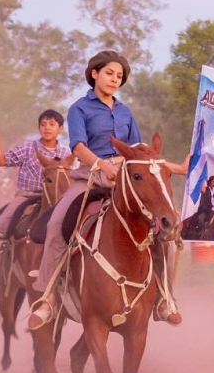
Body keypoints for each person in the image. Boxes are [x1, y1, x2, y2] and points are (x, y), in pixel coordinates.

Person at [29, 50, 184, 330]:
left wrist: (176, 167)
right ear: (94, 74)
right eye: (110, 73)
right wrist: (102, 164)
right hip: (90, 177)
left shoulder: (125, 111)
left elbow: (141, 153)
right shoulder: (80, 108)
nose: (115, 79)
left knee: (166, 231)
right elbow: (77, 146)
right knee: (55, 224)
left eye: (120, 76)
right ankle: (48, 297)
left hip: (126, 181)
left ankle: (165, 297)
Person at [0, 110, 71, 286]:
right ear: (39, 128)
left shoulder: (66, 152)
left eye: (52, 124)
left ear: (60, 129)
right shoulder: (27, 147)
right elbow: (1, 161)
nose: (47, 128)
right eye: (43, 124)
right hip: (28, 195)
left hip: (57, 199)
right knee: (3, 221)